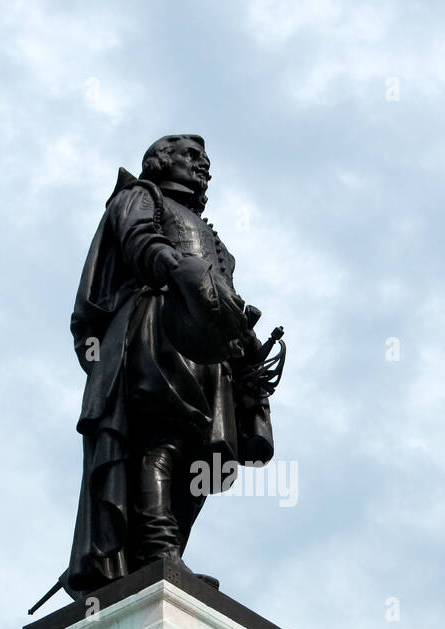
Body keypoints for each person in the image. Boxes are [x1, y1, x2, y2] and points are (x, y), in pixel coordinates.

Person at [51, 134, 283, 602]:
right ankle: (157, 551)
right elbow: (139, 242)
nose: (204, 167)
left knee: (202, 453)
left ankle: (164, 550)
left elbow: (226, 295)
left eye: (206, 160)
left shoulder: (210, 233)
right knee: (164, 437)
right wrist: (178, 269)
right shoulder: (139, 196)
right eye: (192, 157)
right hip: (156, 326)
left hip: (209, 343)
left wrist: (247, 352)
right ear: (160, 160)